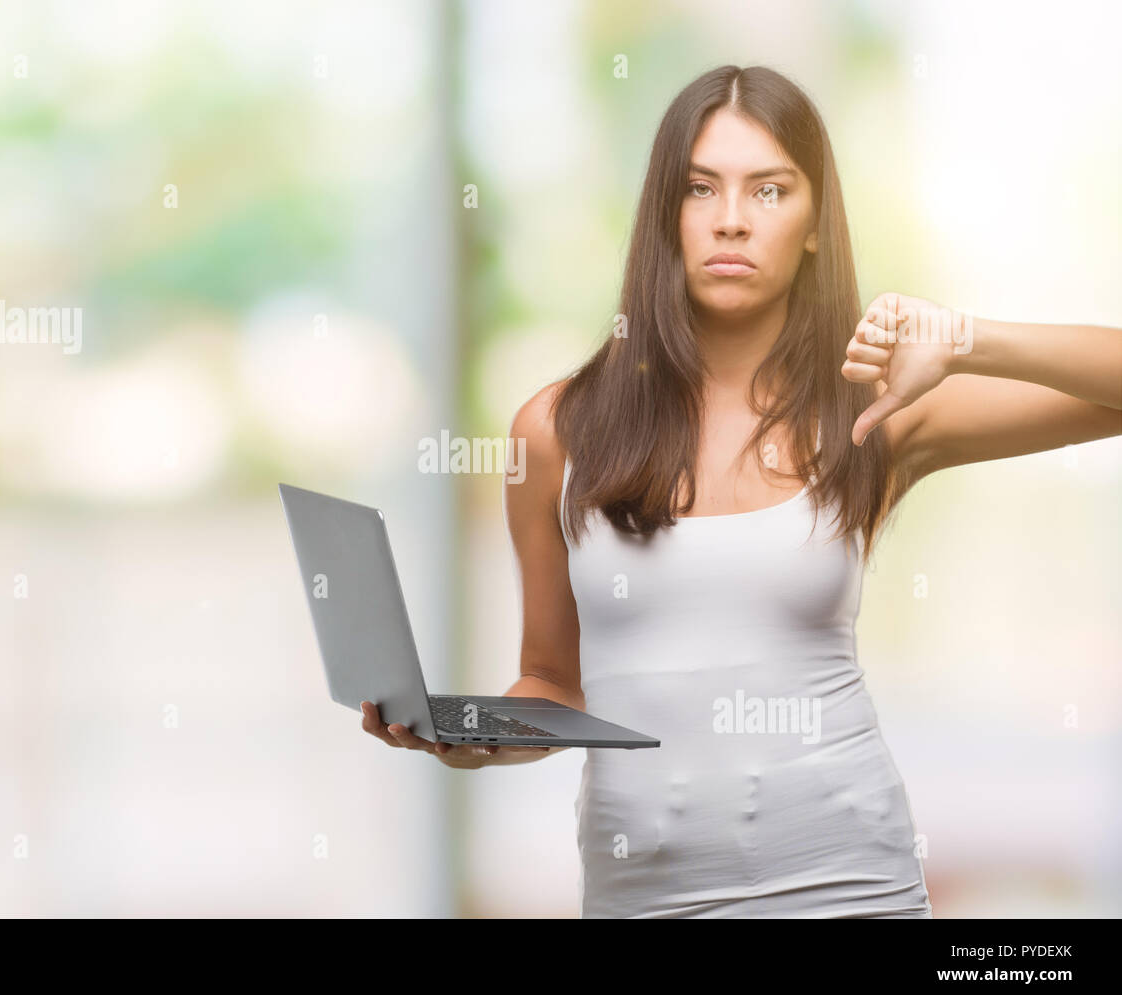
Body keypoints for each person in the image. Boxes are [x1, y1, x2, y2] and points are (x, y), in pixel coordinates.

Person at [360, 64, 1122, 917]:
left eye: (768, 189)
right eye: (700, 188)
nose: (730, 219)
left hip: (851, 889)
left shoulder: (876, 408)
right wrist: (475, 740)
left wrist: (966, 339)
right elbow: (550, 682)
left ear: (813, 226)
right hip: (645, 898)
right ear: (665, 216)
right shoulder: (553, 430)